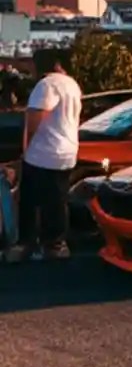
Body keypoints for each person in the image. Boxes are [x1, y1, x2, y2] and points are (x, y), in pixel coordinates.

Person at [6, 52, 81, 263]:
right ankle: (56, 243)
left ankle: (27, 244)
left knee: (29, 200)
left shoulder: (46, 85)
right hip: (67, 152)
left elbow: (34, 119)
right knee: (57, 200)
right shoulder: (72, 85)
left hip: (43, 153)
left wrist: (24, 150)